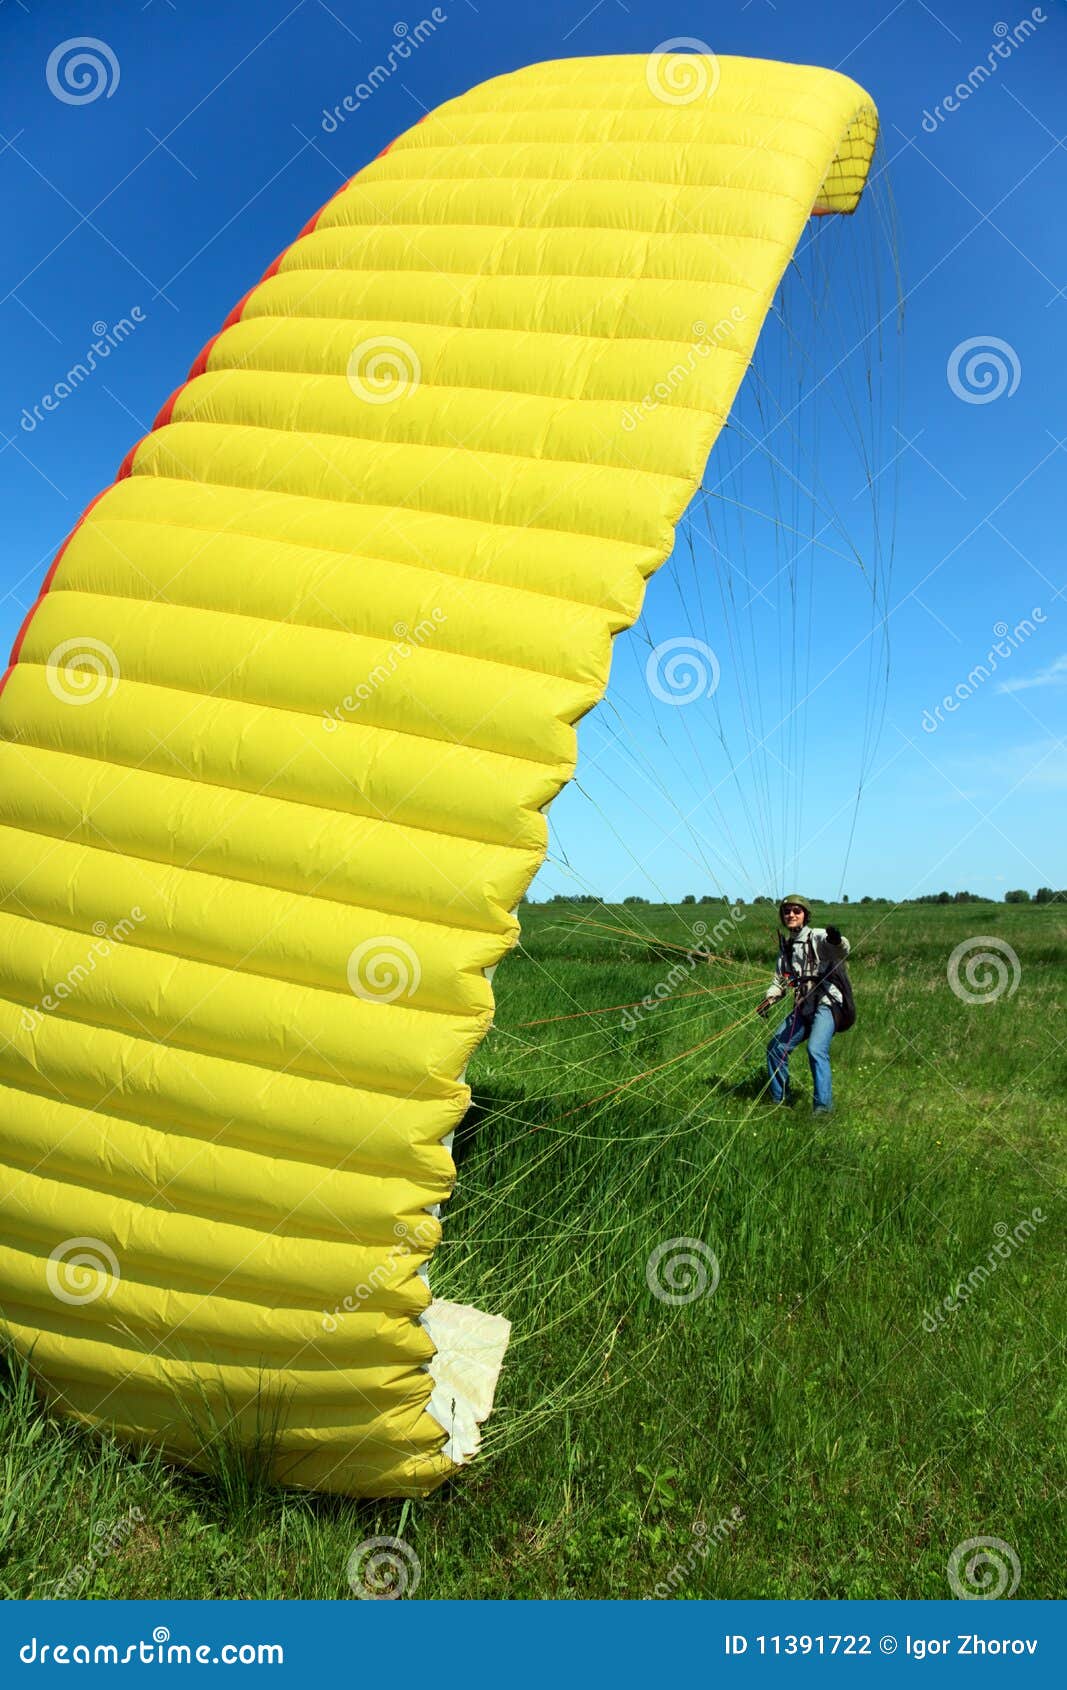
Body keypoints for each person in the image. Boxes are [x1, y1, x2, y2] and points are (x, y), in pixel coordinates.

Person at [756, 895, 851, 1115]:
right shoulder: (786, 947)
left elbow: (839, 950)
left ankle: (823, 1111)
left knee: (816, 1049)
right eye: (787, 911)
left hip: (827, 1004)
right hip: (804, 1006)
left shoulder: (817, 937)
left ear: (805, 916)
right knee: (776, 1048)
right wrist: (769, 999)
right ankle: (780, 1102)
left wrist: (837, 940)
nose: (791, 915)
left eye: (796, 911)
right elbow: (780, 980)